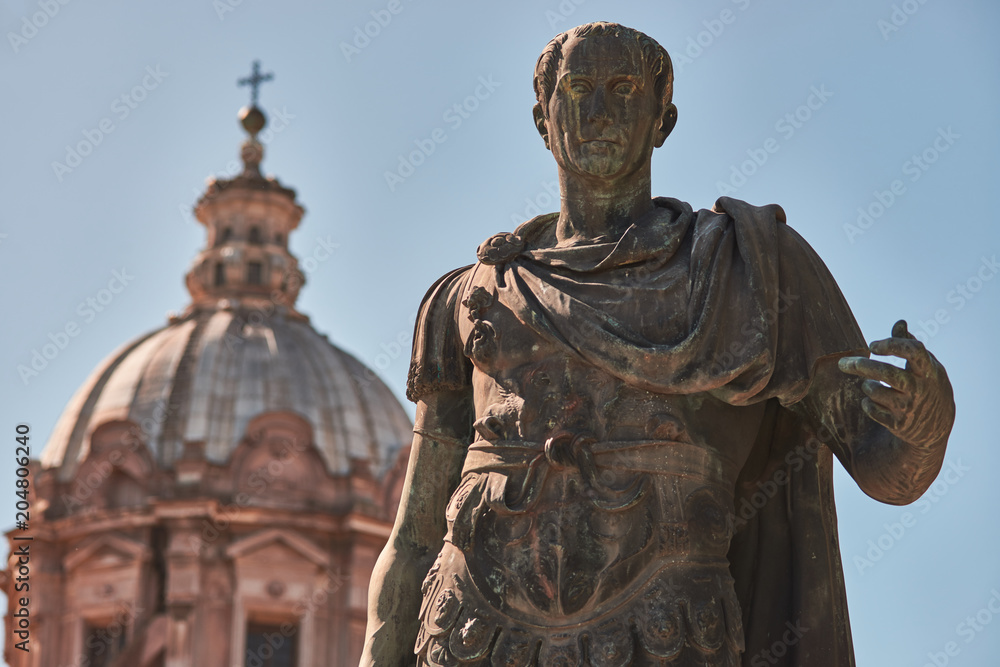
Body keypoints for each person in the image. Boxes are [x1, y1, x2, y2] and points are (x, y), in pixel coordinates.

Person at [361, 22, 954, 667]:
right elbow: (415, 535)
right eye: (578, 88)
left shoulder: (747, 271)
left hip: (666, 631)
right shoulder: (470, 297)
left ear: (661, 118)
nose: (597, 111)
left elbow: (887, 469)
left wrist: (925, 426)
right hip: (473, 634)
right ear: (543, 117)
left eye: (623, 89)